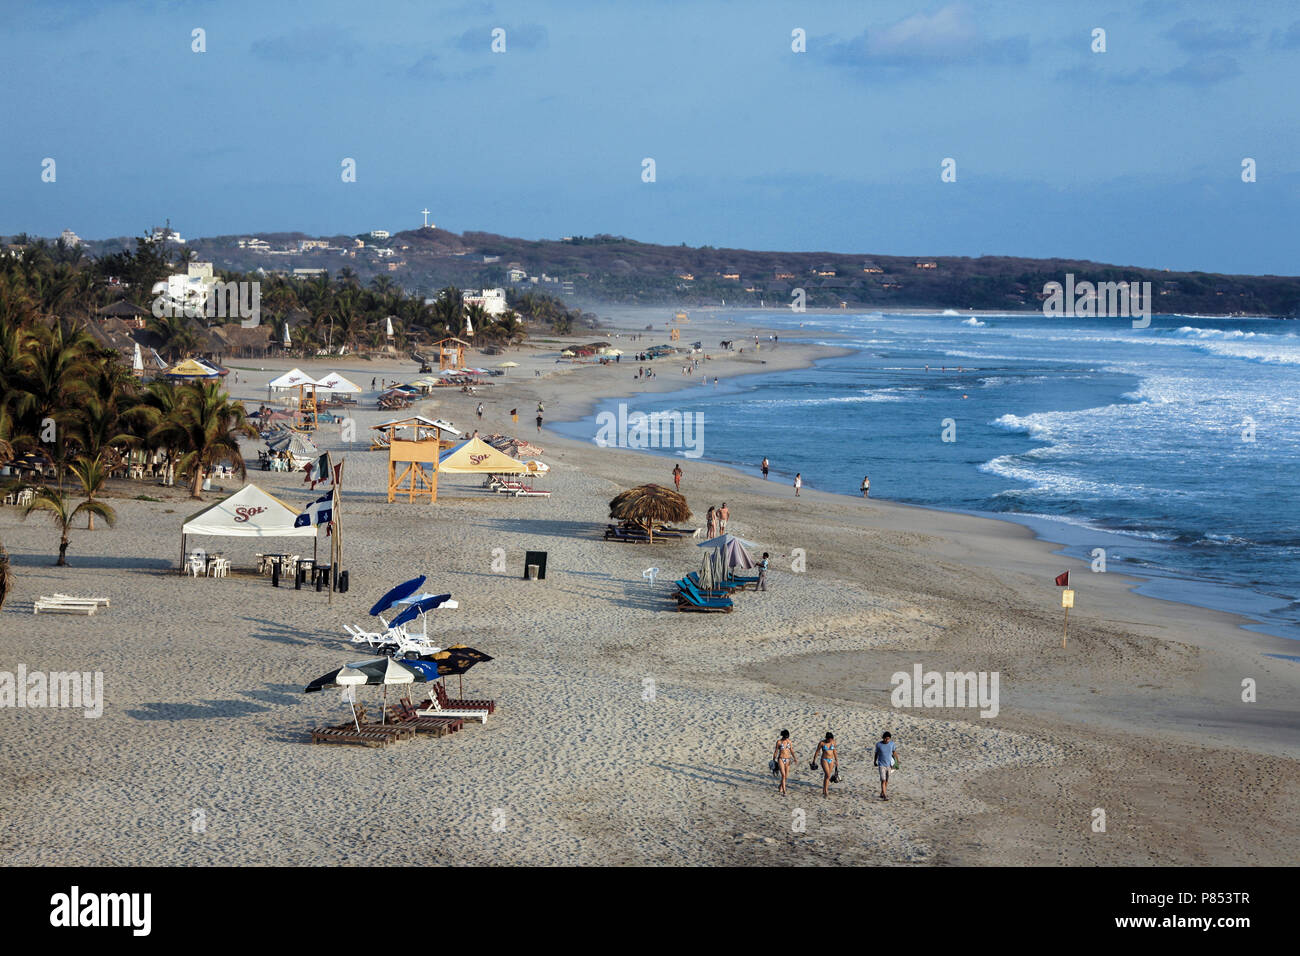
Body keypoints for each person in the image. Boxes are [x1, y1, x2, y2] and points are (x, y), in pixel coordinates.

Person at [773, 730, 798, 795]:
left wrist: (794, 758)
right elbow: (776, 751)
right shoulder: (779, 742)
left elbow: (791, 750)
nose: (786, 738)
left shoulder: (789, 741)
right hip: (781, 759)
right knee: (783, 775)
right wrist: (773, 759)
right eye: (785, 737)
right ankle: (784, 791)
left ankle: (780, 786)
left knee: (786, 776)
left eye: (786, 737)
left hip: (788, 759)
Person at [874, 731, 898, 800]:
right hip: (881, 765)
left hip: (889, 765)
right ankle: (884, 795)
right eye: (885, 738)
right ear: (883, 738)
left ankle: (882, 792)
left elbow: (894, 753)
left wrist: (897, 761)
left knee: (887, 780)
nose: (887, 740)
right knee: (883, 780)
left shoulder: (892, 744)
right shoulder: (878, 744)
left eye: (888, 739)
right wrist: (874, 761)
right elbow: (876, 753)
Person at [812, 732, 837, 798]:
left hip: (831, 760)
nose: (831, 740)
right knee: (828, 775)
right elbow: (817, 751)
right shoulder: (822, 743)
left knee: (827, 776)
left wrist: (836, 760)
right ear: (827, 738)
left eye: (832, 739)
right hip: (824, 760)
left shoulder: (833, 742)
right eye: (830, 739)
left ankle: (824, 789)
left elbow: (834, 751)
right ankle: (826, 791)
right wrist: (814, 760)